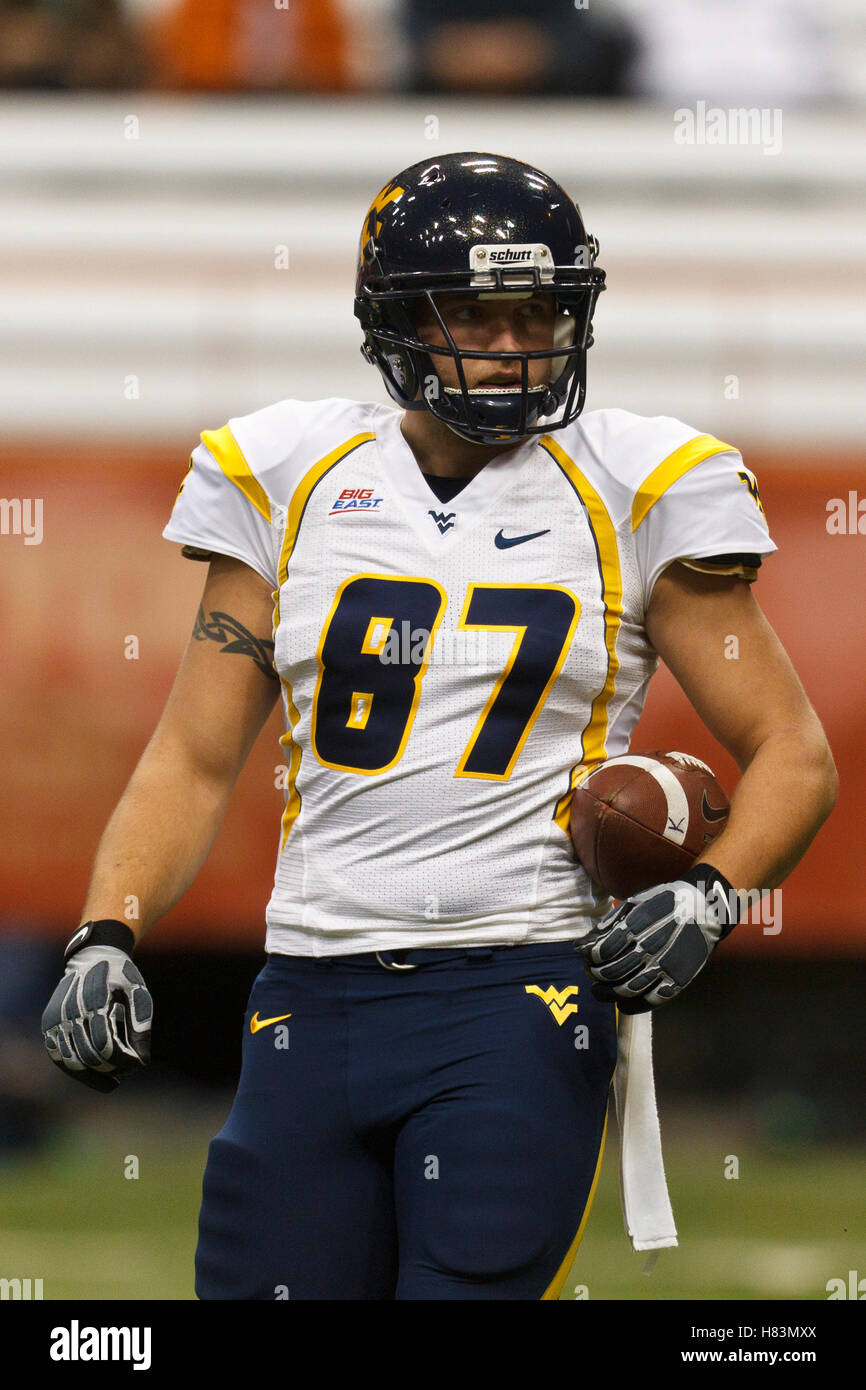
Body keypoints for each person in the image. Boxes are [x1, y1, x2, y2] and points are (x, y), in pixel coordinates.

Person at [41, 152, 837, 1300]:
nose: (511, 344)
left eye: (537, 313)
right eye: (475, 312)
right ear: (394, 319)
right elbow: (194, 755)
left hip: (514, 998)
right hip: (308, 996)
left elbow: (791, 754)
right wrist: (106, 929)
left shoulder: (636, 485)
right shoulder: (289, 472)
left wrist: (707, 897)